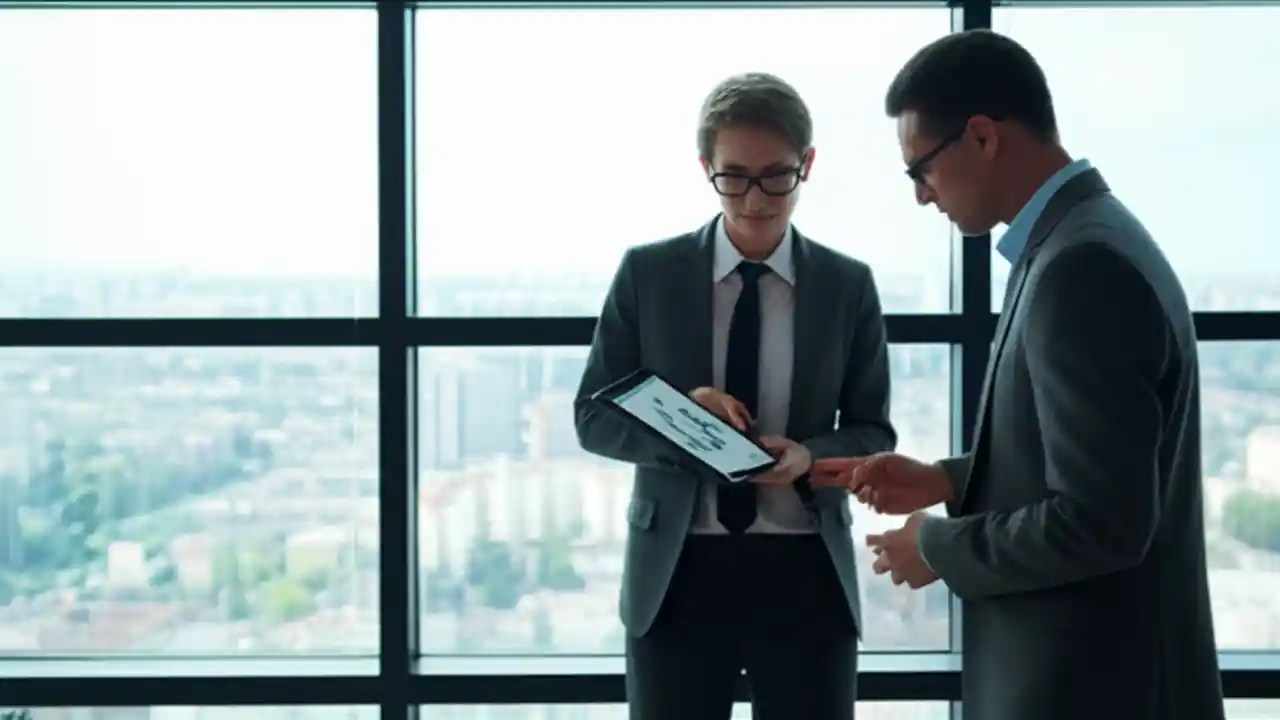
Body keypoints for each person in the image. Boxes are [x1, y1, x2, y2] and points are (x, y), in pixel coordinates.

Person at [812, 29, 1225, 719]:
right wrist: (951, 479)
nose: (920, 197)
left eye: (921, 169)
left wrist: (938, 545)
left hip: (1093, 689)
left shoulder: (1080, 268)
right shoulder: (1082, 240)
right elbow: (1099, 461)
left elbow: (1102, 521)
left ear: (981, 136)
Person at [574, 72, 896, 720]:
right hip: (678, 572)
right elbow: (593, 418)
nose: (754, 199)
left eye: (776, 176)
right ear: (706, 169)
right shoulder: (649, 274)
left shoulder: (846, 285)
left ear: (807, 165)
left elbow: (873, 432)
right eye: (735, 176)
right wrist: (680, 416)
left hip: (805, 569)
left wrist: (808, 457)